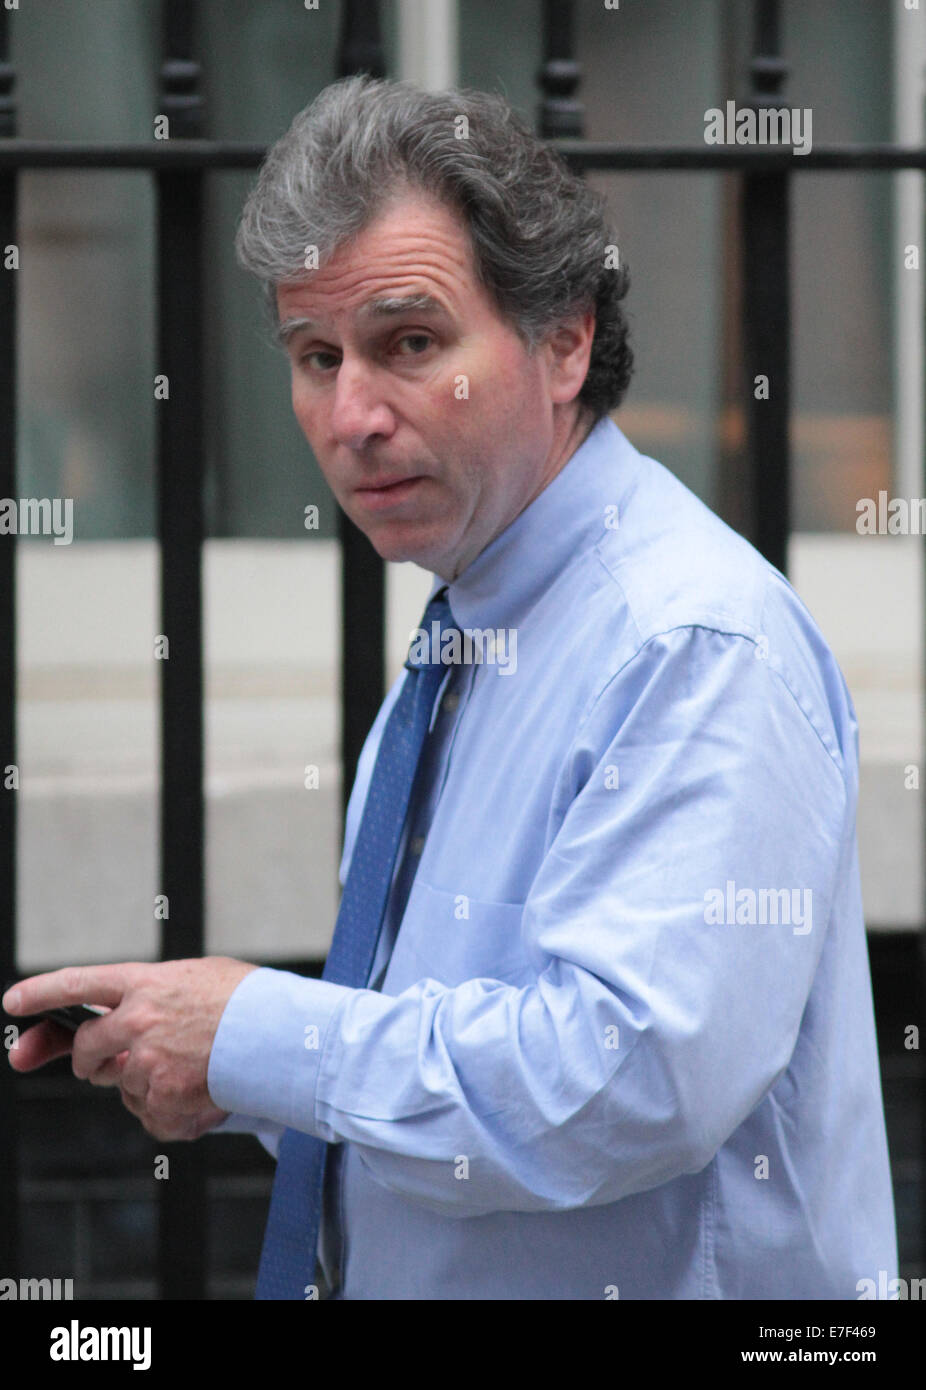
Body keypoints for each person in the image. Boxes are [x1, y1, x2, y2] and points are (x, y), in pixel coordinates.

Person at [3, 75, 897, 1300]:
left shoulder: (688, 640)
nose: (349, 414)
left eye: (407, 342)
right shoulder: (473, 622)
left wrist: (262, 1032)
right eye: (313, 356)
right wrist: (229, 1058)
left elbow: (626, 1079)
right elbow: (451, 1074)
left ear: (566, 338)